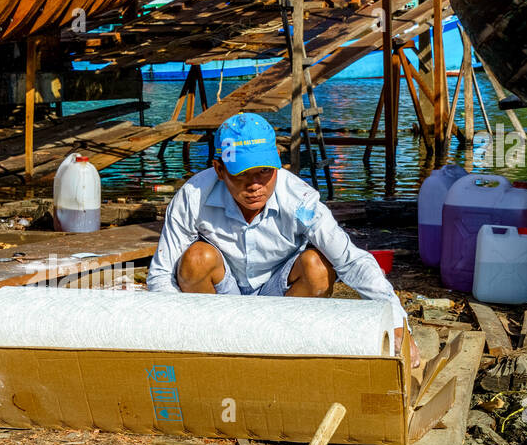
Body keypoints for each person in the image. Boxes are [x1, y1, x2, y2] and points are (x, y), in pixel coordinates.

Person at [147, 112, 418, 365]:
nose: (255, 185)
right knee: (196, 259)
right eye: (241, 173)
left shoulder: (300, 200)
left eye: (264, 171)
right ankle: (209, 347)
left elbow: (350, 260)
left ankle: (287, 348)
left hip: (280, 296)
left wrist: (395, 322)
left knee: (318, 267)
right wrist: (172, 333)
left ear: (277, 160)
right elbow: (161, 275)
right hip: (220, 298)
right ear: (219, 170)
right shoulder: (194, 195)